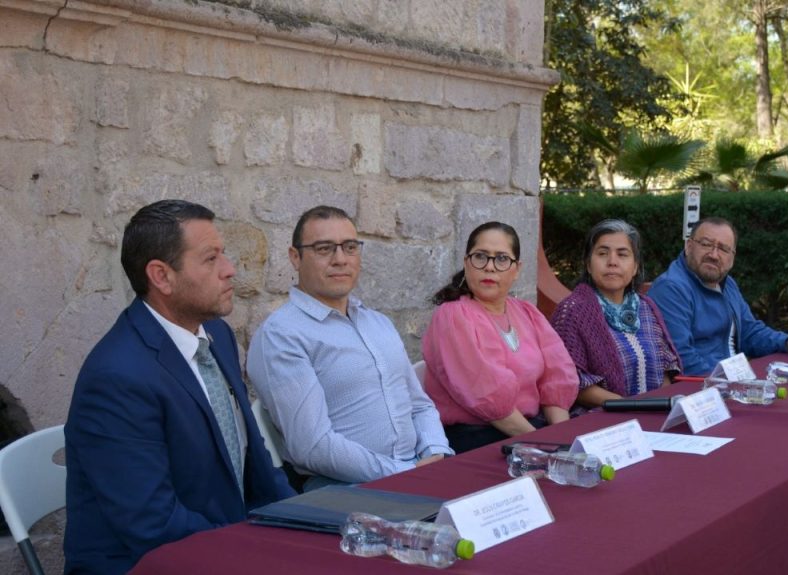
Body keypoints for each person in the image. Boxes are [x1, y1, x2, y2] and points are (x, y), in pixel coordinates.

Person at [64, 200, 294, 574]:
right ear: (161, 276)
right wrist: (251, 552)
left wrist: (303, 523)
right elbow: (152, 524)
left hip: (222, 544)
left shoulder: (216, 334)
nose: (230, 270)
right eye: (210, 258)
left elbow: (257, 467)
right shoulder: (116, 377)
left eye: (224, 255)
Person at [247, 206, 452, 489]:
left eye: (350, 247)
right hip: (345, 489)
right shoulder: (282, 335)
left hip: (415, 471)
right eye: (323, 249)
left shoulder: (378, 323)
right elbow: (314, 447)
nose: (340, 259)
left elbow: (418, 405)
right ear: (295, 257)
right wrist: (403, 473)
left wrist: (435, 451)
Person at [422, 222, 578, 453]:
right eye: (480, 257)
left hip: (532, 429)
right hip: (479, 437)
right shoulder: (453, 316)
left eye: (502, 259)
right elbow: (487, 396)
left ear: (516, 269)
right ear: (467, 264)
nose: (490, 267)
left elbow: (556, 376)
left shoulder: (527, 312)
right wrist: (544, 446)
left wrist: (561, 438)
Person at [647, 217, 788, 376]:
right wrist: (729, 383)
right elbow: (681, 356)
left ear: (732, 257)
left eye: (723, 249)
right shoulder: (671, 288)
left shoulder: (727, 284)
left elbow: (749, 332)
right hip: (703, 392)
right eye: (706, 244)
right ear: (689, 246)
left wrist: (787, 342)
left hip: (734, 382)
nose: (714, 255)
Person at [550, 219, 680, 409]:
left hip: (655, 412)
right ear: (588, 264)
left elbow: (667, 366)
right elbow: (573, 380)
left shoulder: (646, 307)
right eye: (602, 253)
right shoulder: (572, 311)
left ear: (635, 267)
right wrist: (630, 407)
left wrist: (657, 404)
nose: (612, 262)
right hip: (601, 420)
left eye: (622, 254)